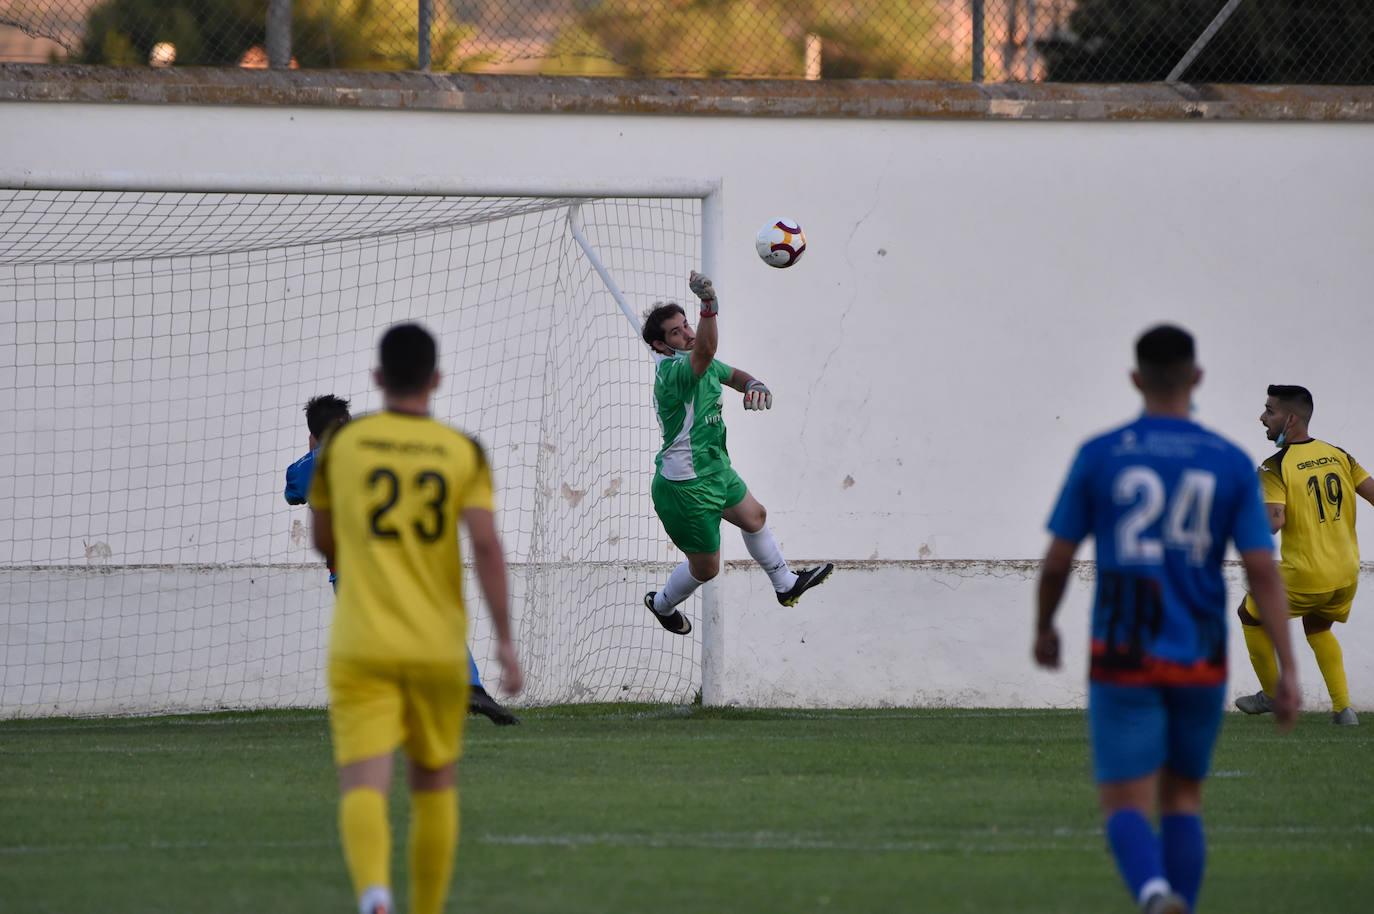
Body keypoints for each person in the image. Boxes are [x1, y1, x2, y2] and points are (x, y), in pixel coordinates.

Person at [1034, 325, 1298, 914]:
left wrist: (1045, 626)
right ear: (1197, 378)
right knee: (1182, 799)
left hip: (1124, 651)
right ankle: (1179, 902)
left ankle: (1154, 895)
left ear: (1135, 379)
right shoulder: (1229, 461)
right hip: (1200, 653)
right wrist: (1288, 670)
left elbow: (1057, 560)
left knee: (1126, 803)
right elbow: (1263, 570)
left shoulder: (1102, 454)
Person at [309, 323, 523, 914]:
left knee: (364, 780)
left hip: (361, 642)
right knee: (432, 784)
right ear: (436, 379)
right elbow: (485, 548)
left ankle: (375, 895)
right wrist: (505, 642)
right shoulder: (462, 451)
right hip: (435, 647)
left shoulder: (341, 450)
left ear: (378, 379)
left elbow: (325, 539)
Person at [286, 394, 519, 726]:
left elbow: (293, 493)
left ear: (313, 433)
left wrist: (314, 452)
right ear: (345, 423)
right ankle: (469, 685)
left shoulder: (304, 469)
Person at [640, 271, 833, 634]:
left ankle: (785, 584)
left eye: (687, 325)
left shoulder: (700, 363)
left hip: (715, 468)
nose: (688, 333)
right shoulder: (675, 373)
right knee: (707, 570)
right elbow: (707, 350)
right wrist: (709, 307)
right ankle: (662, 604)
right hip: (686, 488)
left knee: (755, 516)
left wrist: (754, 384)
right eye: (677, 332)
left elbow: (731, 374)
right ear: (660, 346)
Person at [1234, 384, 1374, 726]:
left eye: (1270, 411)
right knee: (1318, 624)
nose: (1263, 417)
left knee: (1249, 613)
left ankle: (1272, 693)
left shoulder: (1274, 467)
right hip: (1345, 573)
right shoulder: (1340, 454)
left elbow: (1273, 522)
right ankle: (1344, 710)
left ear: (1291, 418)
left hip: (1306, 574)